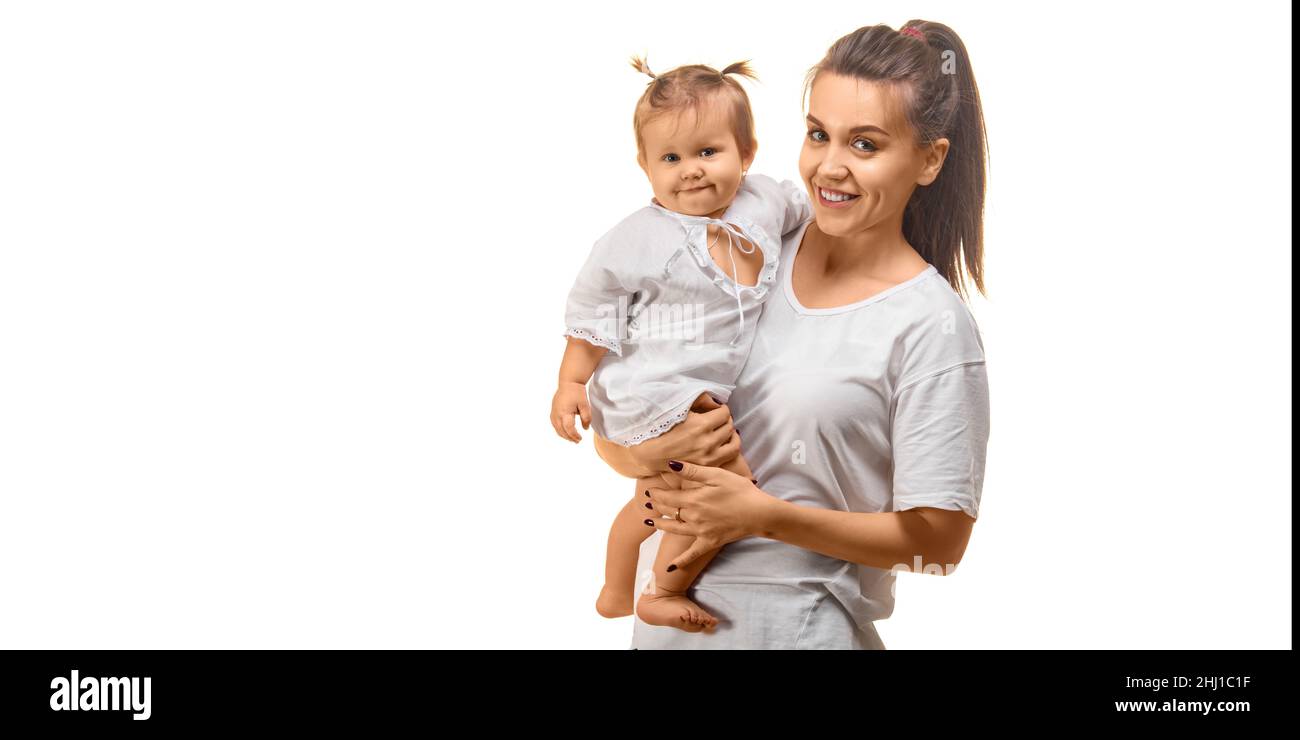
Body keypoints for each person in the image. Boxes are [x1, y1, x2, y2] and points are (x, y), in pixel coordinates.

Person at [594, 20, 991, 649]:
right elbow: (635, 398)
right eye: (817, 134)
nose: (829, 166)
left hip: (801, 634)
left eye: (865, 144)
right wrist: (632, 454)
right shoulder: (746, 249)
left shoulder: (931, 326)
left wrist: (766, 518)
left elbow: (939, 547)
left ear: (930, 158)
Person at [550, 58, 809, 632]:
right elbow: (595, 312)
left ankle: (616, 590)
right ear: (643, 164)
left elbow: (811, 212)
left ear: (748, 151)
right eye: (670, 158)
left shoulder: (763, 201)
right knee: (728, 490)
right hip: (658, 391)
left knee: (656, 493)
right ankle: (663, 589)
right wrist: (571, 381)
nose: (690, 172)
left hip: (689, 392)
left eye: (707, 152)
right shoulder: (637, 240)